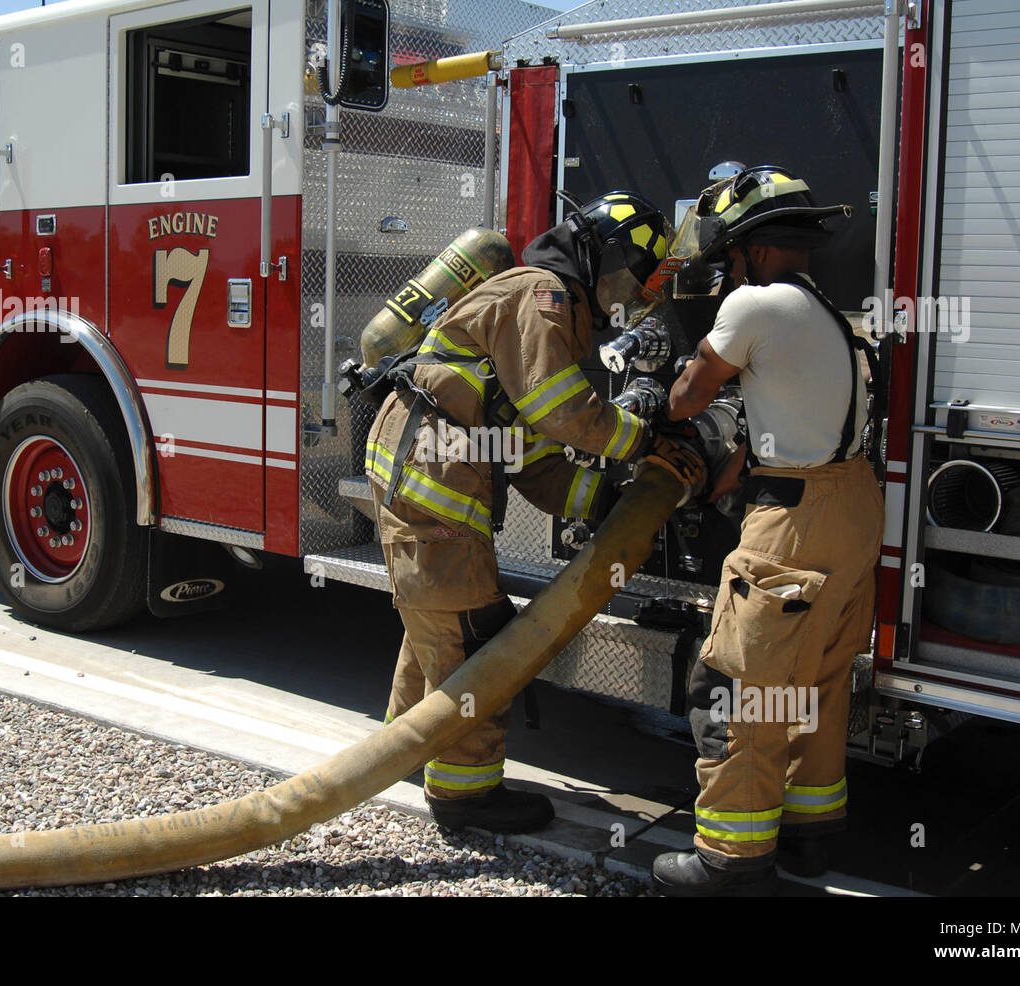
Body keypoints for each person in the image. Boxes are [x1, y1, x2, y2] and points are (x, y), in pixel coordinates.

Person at [366, 191, 707, 834]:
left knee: (436, 622)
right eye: (632, 280)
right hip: (433, 478)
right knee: (473, 636)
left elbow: (531, 451)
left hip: (428, 469)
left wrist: (607, 501)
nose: (629, 300)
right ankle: (464, 794)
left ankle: (400, 750)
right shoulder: (542, 295)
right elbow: (564, 411)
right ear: (603, 256)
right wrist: (643, 440)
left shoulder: (551, 312)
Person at [651, 166, 885, 895]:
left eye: (727, 258)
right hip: (854, 507)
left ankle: (730, 859)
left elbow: (689, 397)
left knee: (740, 687)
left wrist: (654, 421)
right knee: (816, 682)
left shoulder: (753, 305)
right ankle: (809, 838)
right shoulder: (831, 317)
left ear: (748, 250)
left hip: (796, 519)